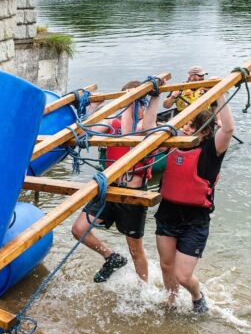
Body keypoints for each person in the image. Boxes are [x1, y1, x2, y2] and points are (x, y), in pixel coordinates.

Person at [70, 80, 161, 284]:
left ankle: (143, 289)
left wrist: (152, 96)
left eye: (138, 103)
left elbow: (133, 132)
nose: (136, 107)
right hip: (109, 190)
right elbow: (84, 132)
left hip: (132, 196)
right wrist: (94, 107)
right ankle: (111, 257)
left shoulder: (148, 127)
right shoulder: (114, 123)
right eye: (130, 102)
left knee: (135, 248)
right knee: (78, 229)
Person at [153, 96, 235, 313]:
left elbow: (227, 129)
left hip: (195, 221)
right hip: (167, 215)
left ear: (205, 132)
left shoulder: (211, 151)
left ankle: (197, 297)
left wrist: (220, 96)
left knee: (182, 275)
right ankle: (171, 302)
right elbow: (147, 128)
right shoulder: (171, 144)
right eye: (186, 124)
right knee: (166, 266)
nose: (186, 129)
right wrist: (154, 97)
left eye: (192, 126)